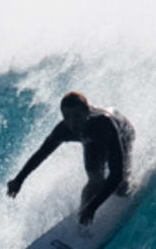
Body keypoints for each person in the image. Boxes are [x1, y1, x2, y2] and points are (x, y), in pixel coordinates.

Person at [7, 90, 132, 227]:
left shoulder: (104, 124)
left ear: (87, 112)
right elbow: (41, 154)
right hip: (91, 140)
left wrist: (93, 207)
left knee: (121, 187)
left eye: (77, 116)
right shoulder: (63, 129)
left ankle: (132, 192)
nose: (72, 122)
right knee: (94, 182)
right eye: (67, 117)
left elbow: (116, 174)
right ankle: (82, 224)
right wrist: (19, 179)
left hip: (122, 132)